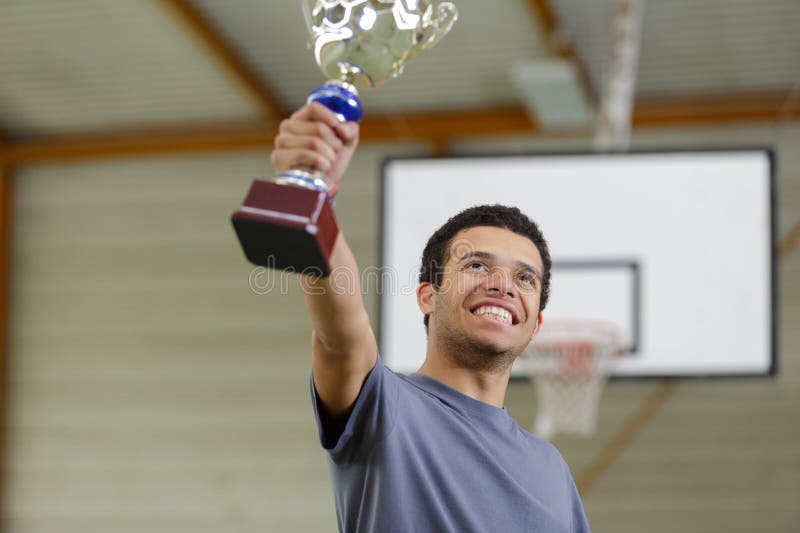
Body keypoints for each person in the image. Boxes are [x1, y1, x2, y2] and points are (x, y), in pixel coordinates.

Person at [271, 102, 590, 533]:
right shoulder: (384, 408)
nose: (503, 285)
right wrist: (308, 193)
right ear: (427, 296)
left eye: (525, 278)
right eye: (477, 266)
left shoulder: (552, 471)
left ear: (535, 326)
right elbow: (341, 336)